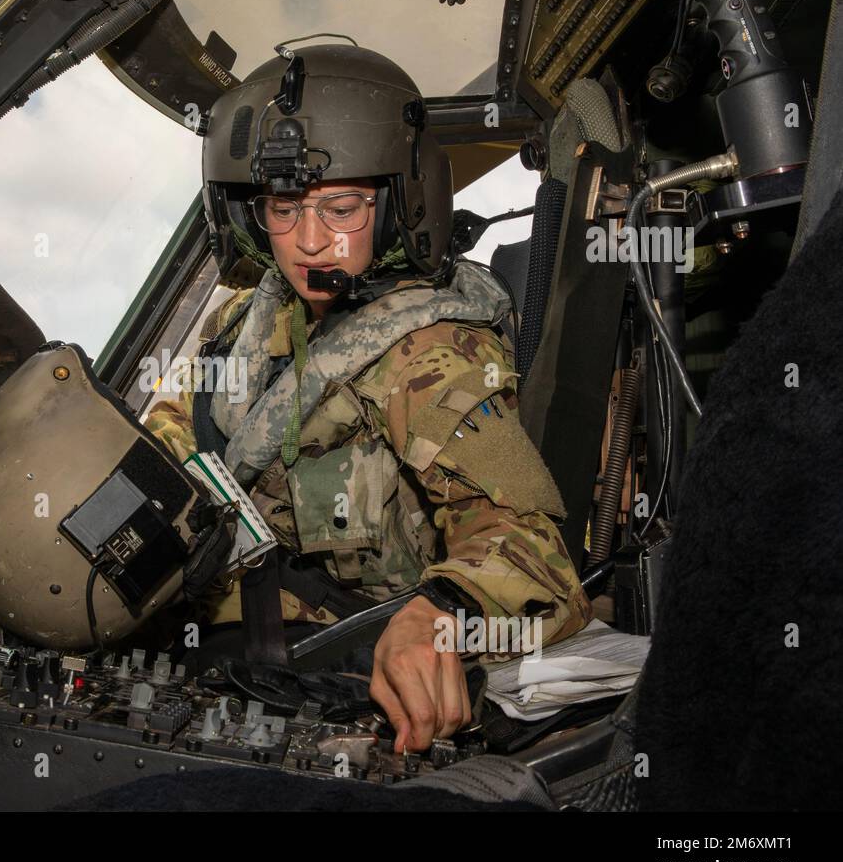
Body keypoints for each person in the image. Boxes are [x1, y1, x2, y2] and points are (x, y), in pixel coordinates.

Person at [144, 43, 592, 754]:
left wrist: (440, 613)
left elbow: (533, 550)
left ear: (398, 204)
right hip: (209, 657)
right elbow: (164, 455)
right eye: (285, 208)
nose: (311, 241)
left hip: (338, 679)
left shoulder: (429, 349)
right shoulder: (241, 329)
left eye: (342, 207)